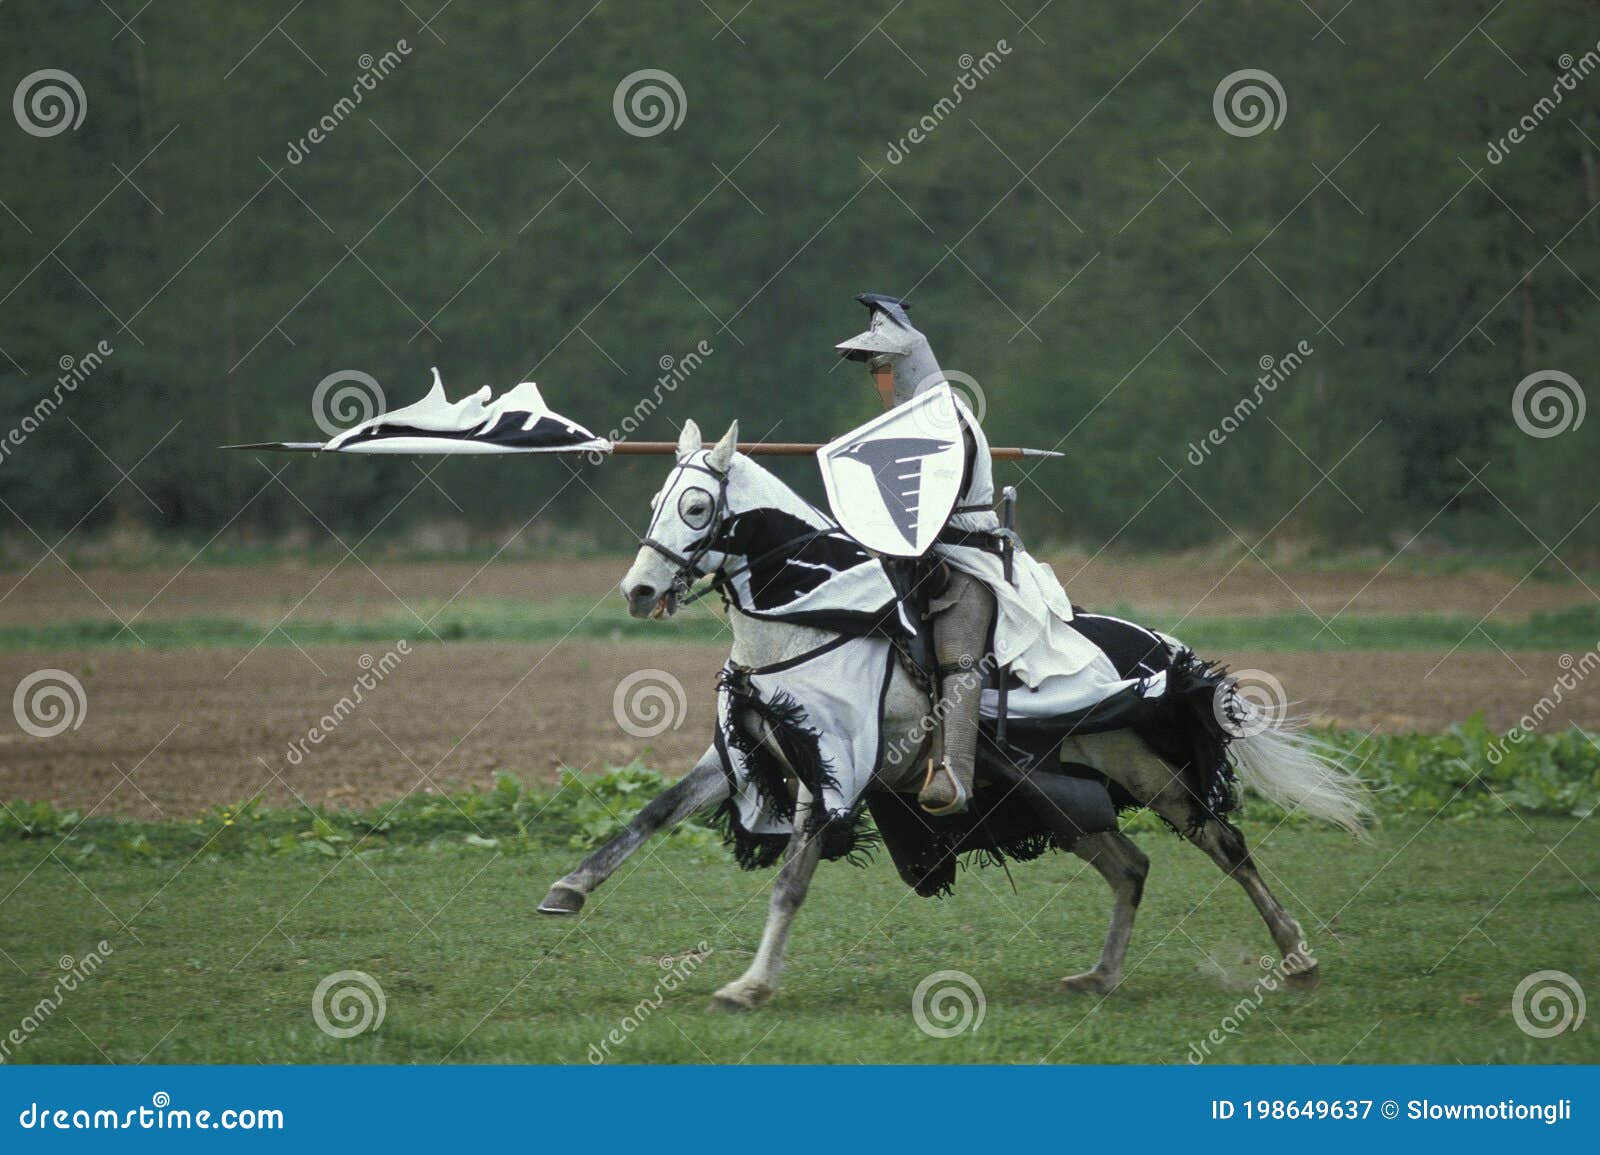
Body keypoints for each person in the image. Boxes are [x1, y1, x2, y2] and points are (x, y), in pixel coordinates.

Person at [835, 294, 1114, 813]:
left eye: (883, 369)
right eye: (875, 372)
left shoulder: (945, 420)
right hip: (913, 556)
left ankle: (952, 775)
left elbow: (933, 501)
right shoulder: (905, 424)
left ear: (907, 365)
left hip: (964, 559)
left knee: (958, 651)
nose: (878, 381)